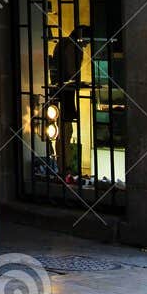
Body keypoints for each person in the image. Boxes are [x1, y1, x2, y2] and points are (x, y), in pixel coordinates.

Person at [47, 25, 90, 179]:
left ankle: (62, 164)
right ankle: (64, 167)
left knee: (61, 128)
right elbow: (72, 71)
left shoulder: (62, 43)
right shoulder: (73, 46)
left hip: (58, 89)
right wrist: (78, 82)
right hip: (66, 91)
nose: (86, 45)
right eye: (86, 41)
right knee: (66, 128)